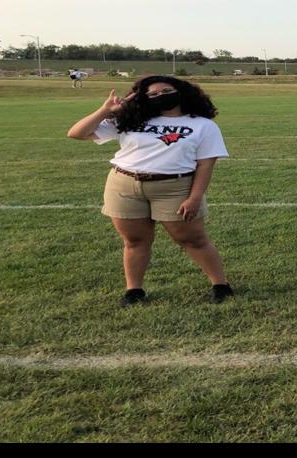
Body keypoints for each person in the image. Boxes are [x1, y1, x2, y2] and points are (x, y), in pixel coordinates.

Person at [65, 77, 233, 306]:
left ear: (181, 92)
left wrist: (194, 198)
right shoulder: (131, 119)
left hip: (174, 187)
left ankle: (220, 284)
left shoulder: (203, 125)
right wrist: (105, 111)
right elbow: (76, 133)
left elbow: (205, 165)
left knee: (192, 239)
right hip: (124, 185)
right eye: (152, 94)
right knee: (134, 240)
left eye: (166, 91)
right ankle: (134, 290)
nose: (160, 96)